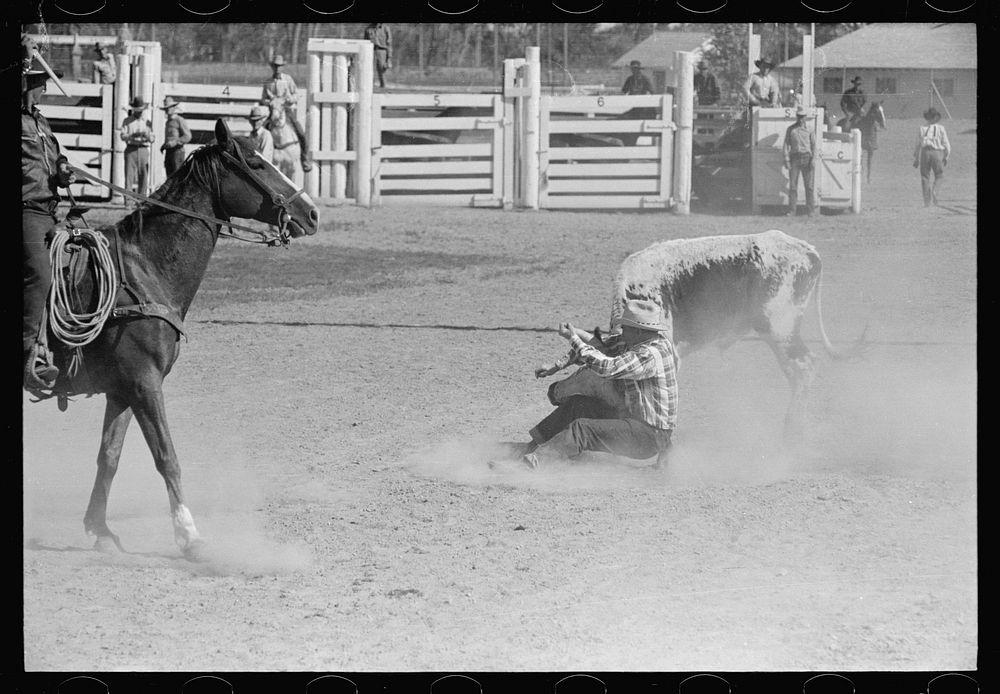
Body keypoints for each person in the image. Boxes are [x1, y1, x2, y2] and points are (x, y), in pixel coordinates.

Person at [510, 299, 678, 470]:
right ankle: (533, 448)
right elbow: (601, 346)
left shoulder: (650, 354)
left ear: (639, 331)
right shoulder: (641, 341)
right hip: (635, 421)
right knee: (578, 405)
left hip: (648, 436)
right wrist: (558, 365)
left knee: (582, 429)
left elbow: (607, 367)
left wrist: (574, 339)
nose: (622, 331)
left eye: (625, 327)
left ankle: (532, 464)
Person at [22, 37, 76, 393]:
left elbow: (55, 162)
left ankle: (64, 345)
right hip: (24, 210)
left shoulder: (42, 123)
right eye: (40, 85)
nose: (44, 90)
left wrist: (64, 170)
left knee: (76, 266)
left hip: (50, 209)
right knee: (40, 274)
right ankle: (27, 352)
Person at [261, 55, 313, 172]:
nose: (277, 68)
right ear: (272, 67)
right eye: (275, 66)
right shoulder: (268, 82)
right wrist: (270, 102)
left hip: (287, 111)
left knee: (300, 132)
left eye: (279, 66)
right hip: (273, 110)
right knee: (260, 131)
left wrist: (289, 99)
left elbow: (296, 94)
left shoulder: (288, 79)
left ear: (282, 67)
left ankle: (305, 160)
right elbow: (263, 98)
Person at [783, 105, 817, 217]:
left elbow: (814, 146)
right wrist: (787, 160)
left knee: (809, 186)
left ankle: (810, 211)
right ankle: (792, 211)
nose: (800, 118)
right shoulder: (791, 129)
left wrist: (813, 160)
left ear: (806, 117)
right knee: (793, 186)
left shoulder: (810, 129)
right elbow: (786, 145)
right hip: (795, 159)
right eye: (798, 116)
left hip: (807, 158)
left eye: (802, 116)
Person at [913, 107, 951, 207]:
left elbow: (917, 145)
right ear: (936, 118)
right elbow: (947, 144)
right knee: (939, 175)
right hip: (937, 152)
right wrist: (946, 156)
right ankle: (935, 191)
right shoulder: (941, 128)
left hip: (924, 153)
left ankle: (927, 202)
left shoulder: (922, 128)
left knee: (924, 177)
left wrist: (916, 158)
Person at [120, 96, 154, 198]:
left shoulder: (147, 122)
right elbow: (122, 135)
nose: (139, 112)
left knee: (143, 175)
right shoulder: (127, 121)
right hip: (131, 148)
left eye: (141, 110)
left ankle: (142, 200)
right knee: (129, 176)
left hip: (143, 148)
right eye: (137, 110)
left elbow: (152, 138)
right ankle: (129, 201)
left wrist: (146, 136)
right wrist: (131, 136)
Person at [160, 96, 192, 177]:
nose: (168, 110)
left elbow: (187, 136)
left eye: (170, 107)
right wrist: (164, 145)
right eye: (166, 108)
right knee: (169, 177)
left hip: (177, 152)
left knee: (177, 176)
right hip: (169, 151)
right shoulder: (168, 122)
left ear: (174, 108)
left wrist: (175, 142)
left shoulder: (179, 120)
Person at [363, 23, 392, 89]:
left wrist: (389, 58)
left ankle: (383, 86)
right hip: (370, 50)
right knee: (369, 70)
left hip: (382, 51)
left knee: (382, 69)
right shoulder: (368, 28)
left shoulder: (385, 28)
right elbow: (364, 42)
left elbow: (389, 43)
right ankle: (370, 87)